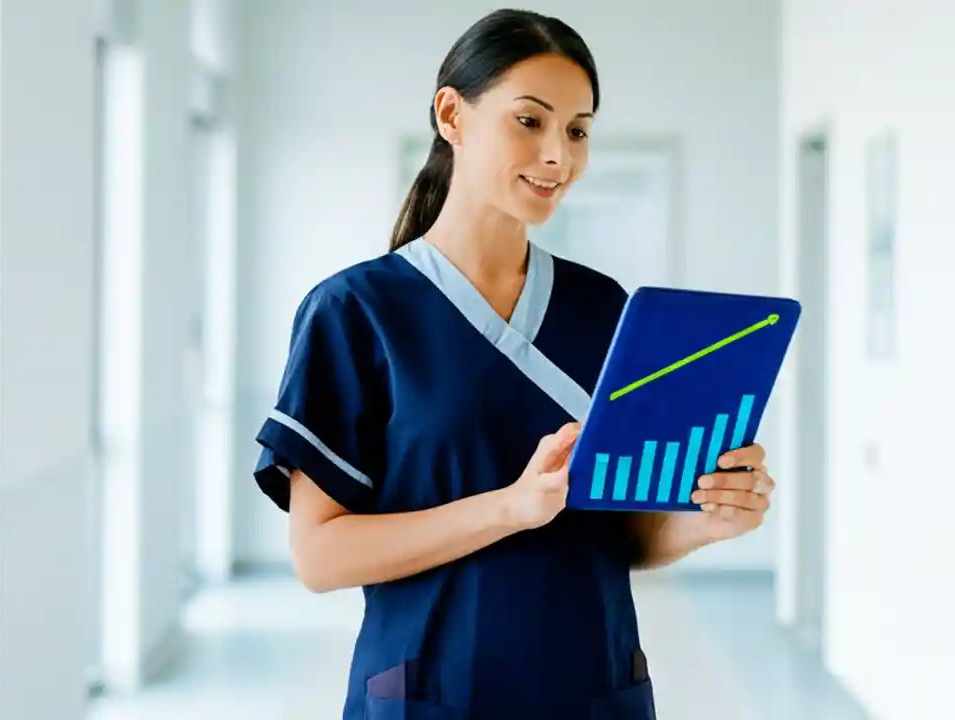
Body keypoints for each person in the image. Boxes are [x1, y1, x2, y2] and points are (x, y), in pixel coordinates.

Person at [252, 9, 777, 719]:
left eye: (578, 130)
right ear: (452, 115)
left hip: (592, 688)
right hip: (434, 690)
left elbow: (625, 533)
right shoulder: (356, 311)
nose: (558, 155)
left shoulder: (603, 308)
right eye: (530, 121)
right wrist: (508, 509)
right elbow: (320, 556)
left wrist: (708, 519)